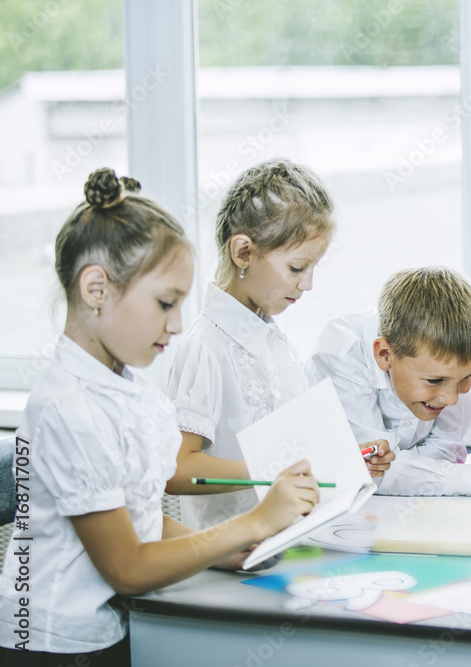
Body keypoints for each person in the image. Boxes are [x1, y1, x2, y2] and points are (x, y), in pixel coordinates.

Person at [0, 168, 319, 666]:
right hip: (51, 643)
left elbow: (140, 519)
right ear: (96, 289)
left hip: (109, 625)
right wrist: (250, 523)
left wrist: (217, 548)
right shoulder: (67, 407)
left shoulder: (132, 393)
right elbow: (127, 565)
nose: (175, 324)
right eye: (165, 303)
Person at [166, 158, 391, 529]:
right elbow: (177, 469)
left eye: (314, 268)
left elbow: (293, 451)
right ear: (243, 253)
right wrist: (271, 472)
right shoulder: (205, 347)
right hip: (232, 553)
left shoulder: (276, 342)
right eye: (297, 268)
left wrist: (348, 461)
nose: (308, 284)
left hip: (291, 541)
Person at [307, 266, 471, 495]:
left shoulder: (447, 367)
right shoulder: (339, 353)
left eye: (467, 377)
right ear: (384, 354)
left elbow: (448, 450)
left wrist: (410, 471)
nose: (453, 399)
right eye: (434, 381)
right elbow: (372, 468)